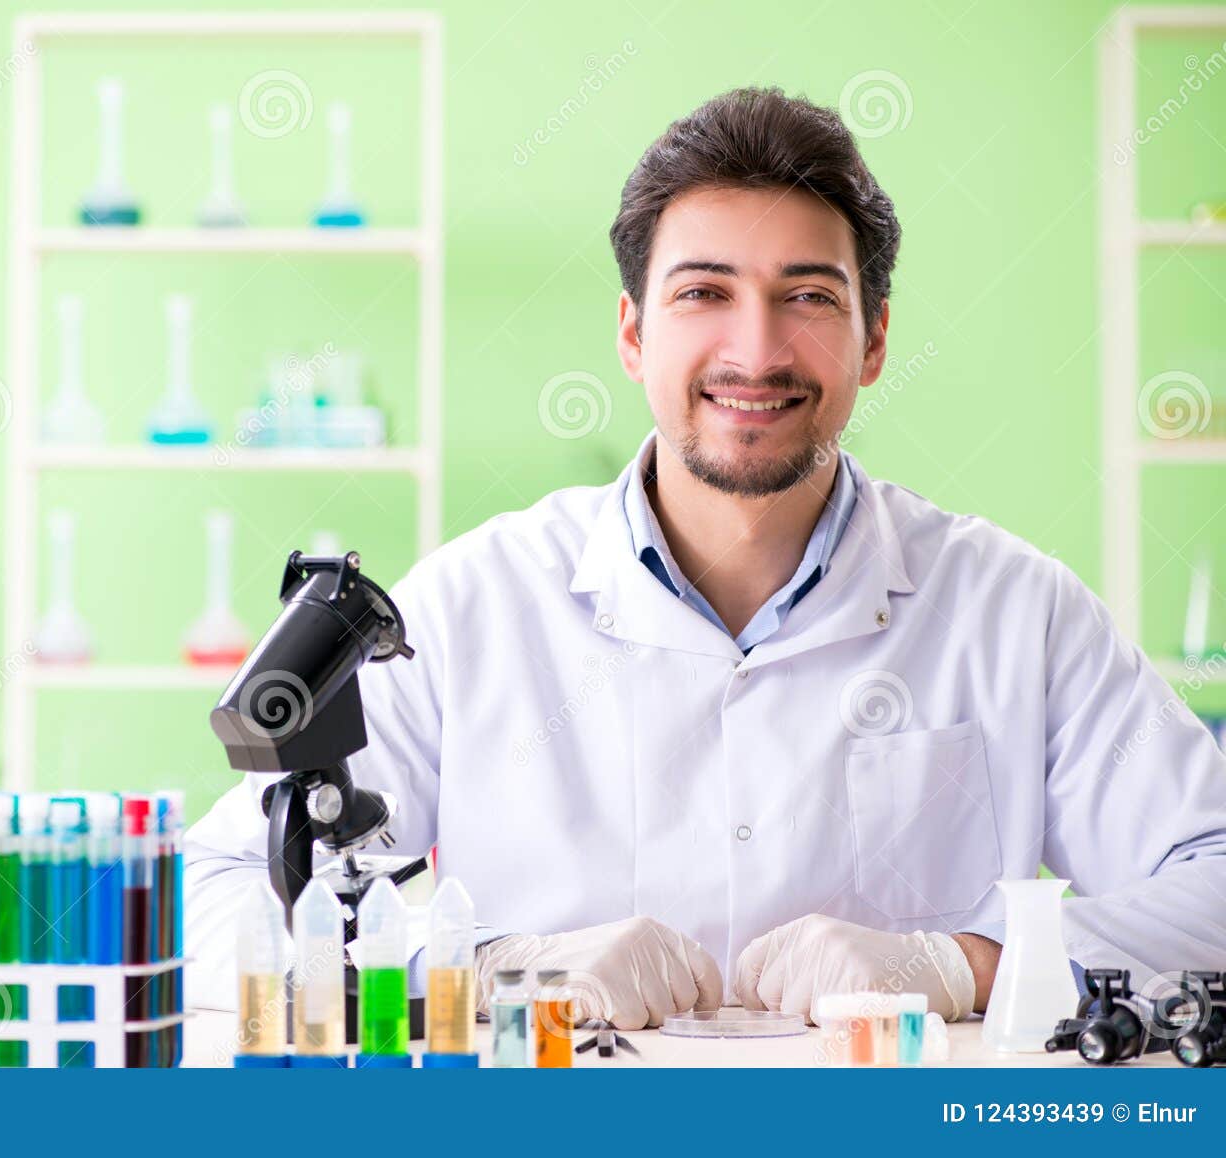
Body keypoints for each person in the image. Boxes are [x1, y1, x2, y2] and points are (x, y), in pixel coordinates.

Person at [183, 86, 1226, 1029]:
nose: (757, 350)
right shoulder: (471, 606)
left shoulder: (1012, 608)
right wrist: (493, 967)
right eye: (704, 293)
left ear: (872, 339)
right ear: (633, 335)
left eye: (809, 296)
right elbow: (219, 892)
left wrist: (966, 965)